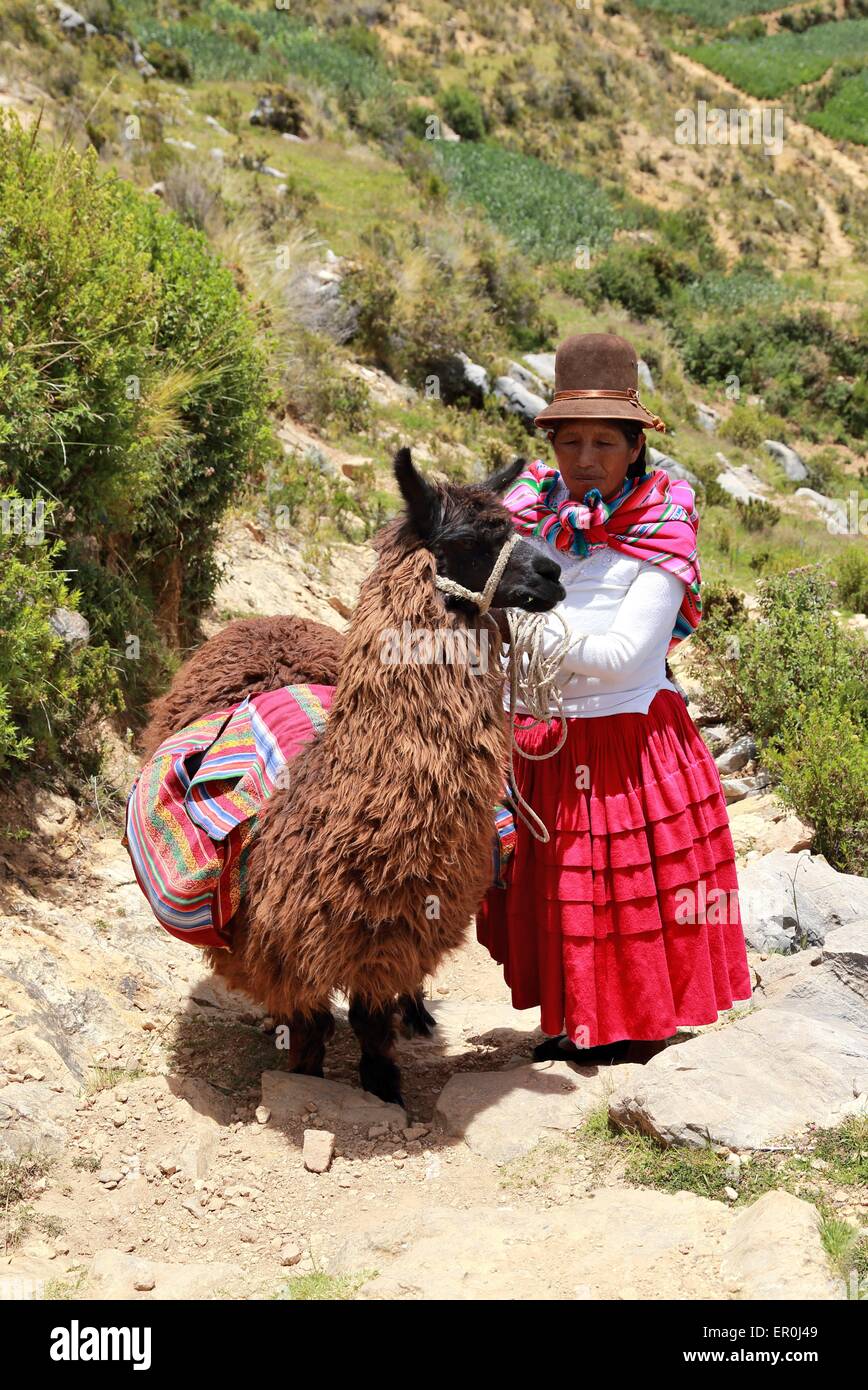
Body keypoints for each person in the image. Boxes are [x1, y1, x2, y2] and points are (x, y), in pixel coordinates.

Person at [479, 332, 752, 1065]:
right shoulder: (532, 516)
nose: (585, 460)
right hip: (544, 739)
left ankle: (639, 1028)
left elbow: (627, 656)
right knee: (566, 890)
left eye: (604, 441)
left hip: (627, 741)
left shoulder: (664, 527)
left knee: (625, 895)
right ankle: (574, 1022)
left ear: (636, 446)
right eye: (569, 442)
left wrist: (524, 627)